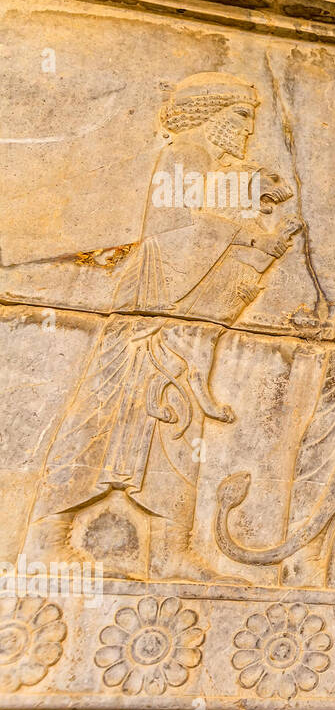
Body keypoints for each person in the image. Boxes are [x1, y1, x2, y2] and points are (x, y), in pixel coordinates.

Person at [23, 73, 297, 579]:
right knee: (99, 422)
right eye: (240, 116)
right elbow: (177, 231)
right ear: (209, 114)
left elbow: (216, 234)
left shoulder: (213, 165)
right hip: (153, 311)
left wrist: (261, 234)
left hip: (186, 318)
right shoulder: (187, 154)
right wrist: (250, 223)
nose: (246, 128)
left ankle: (170, 551)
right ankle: (44, 542)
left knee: (179, 428)